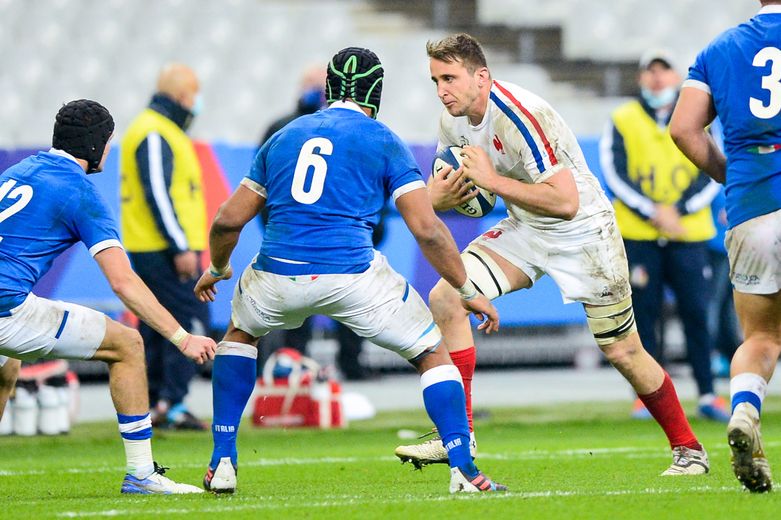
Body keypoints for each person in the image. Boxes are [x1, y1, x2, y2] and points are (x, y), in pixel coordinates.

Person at [394, 33, 708, 476]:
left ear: (481, 77)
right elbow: (463, 197)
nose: (442, 90)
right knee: (447, 297)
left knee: (622, 350)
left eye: (449, 78)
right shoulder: (453, 123)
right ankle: (461, 435)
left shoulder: (523, 114)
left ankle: (689, 449)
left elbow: (565, 202)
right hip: (527, 226)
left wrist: (493, 182)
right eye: (435, 81)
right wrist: (439, 197)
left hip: (584, 232)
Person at [195, 47, 505, 494]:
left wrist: (219, 267)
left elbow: (227, 219)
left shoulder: (283, 136)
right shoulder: (381, 138)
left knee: (240, 336)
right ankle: (464, 471)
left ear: (327, 89)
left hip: (277, 275)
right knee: (433, 355)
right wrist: (466, 286)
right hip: (354, 276)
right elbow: (428, 230)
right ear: (375, 92)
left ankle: (222, 461)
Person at [0, 99, 216, 494]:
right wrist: (183, 338)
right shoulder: (79, 191)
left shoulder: (19, 171)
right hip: (6, 308)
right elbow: (123, 283)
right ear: (98, 144)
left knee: (7, 366)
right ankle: (141, 473)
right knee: (128, 344)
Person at [670, 0, 781, 493]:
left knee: (760, 338)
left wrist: (730, 176)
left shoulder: (720, 47)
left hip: (751, 203)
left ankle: (742, 411)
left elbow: (682, 127)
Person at [599, 49, 728, 422]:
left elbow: (712, 169)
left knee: (696, 314)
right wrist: (653, 211)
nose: (657, 78)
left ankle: (706, 393)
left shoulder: (699, 115)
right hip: (639, 232)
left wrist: (679, 210)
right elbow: (614, 172)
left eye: (664, 70)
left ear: (677, 76)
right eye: (650, 71)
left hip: (688, 233)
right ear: (641, 78)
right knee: (643, 315)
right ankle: (648, 397)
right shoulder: (623, 118)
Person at [258, 65, 380, 380]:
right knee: (295, 312)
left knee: (351, 302)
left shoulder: (333, 131)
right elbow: (262, 186)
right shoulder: (283, 128)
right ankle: (293, 366)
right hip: (297, 235)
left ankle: (350, 363)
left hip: (337, 234)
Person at [120, 63, 210, 430]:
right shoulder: (155, 132)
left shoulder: (156, 128)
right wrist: (179, 246)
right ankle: (172, 402)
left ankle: (157, 400)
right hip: (164, 248)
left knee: (157, 326)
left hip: (155, 245)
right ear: (184, 96)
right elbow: (157, 192)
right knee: (187, 320)